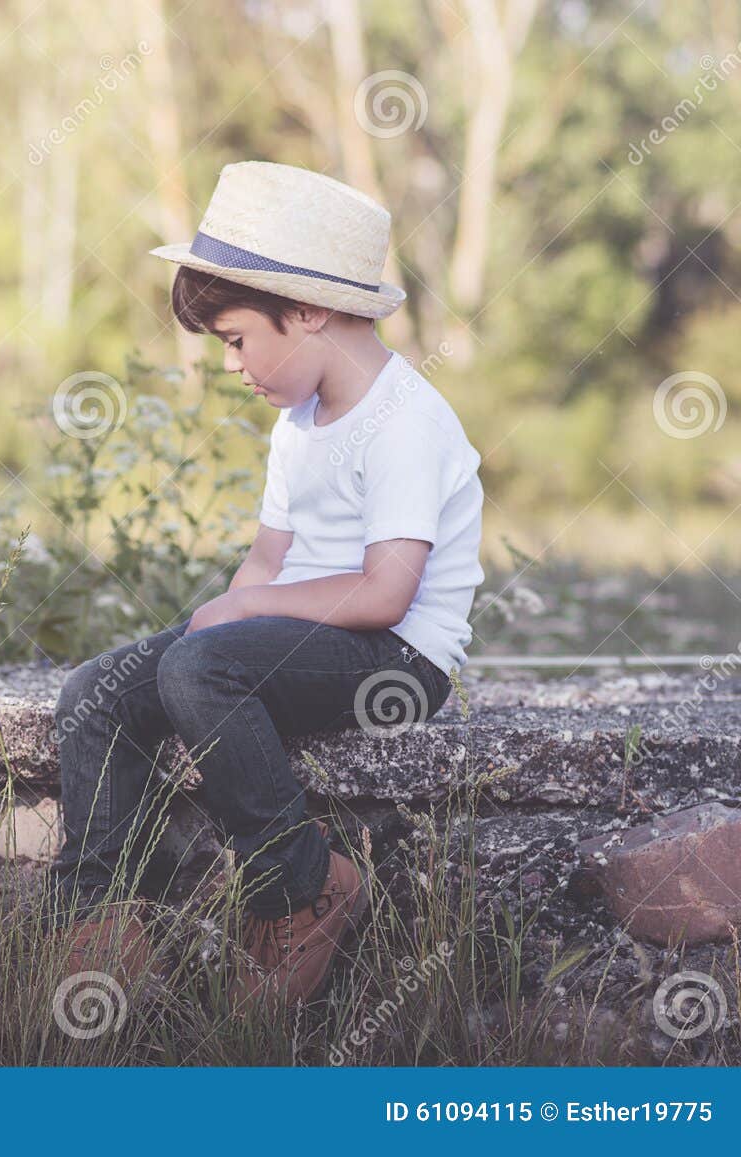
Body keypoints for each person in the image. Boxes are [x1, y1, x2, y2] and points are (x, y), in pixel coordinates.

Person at [49, 160, 484, 1011]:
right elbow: (267, 561)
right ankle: (98, 927)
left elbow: (386, 592)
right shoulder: (300, 424)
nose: (235, 365)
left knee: (199, 671)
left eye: (238, 339)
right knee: (97, 691)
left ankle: (303, 887)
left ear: (310, 310)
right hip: (306, 635)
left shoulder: (407, 423)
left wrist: (238, 619)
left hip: (393, 658)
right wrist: (215, 620)